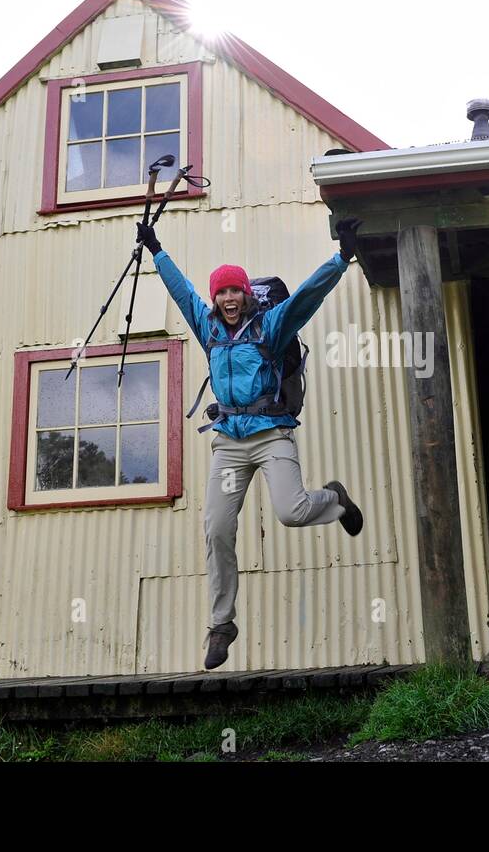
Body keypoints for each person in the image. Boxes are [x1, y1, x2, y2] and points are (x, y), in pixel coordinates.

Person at [138, 216, 365, 669]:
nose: (227, 299)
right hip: (228, 445)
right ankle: (222, 625)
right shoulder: (209, 330)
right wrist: (156, 249)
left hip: (271, 435)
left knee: (292, 511)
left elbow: (306, 297)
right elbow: (182, 291)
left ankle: (335, 500)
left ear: (246, 295)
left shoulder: (270, 326)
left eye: (234, 291)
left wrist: (342, 257)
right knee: (217, 529)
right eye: (221, 292)